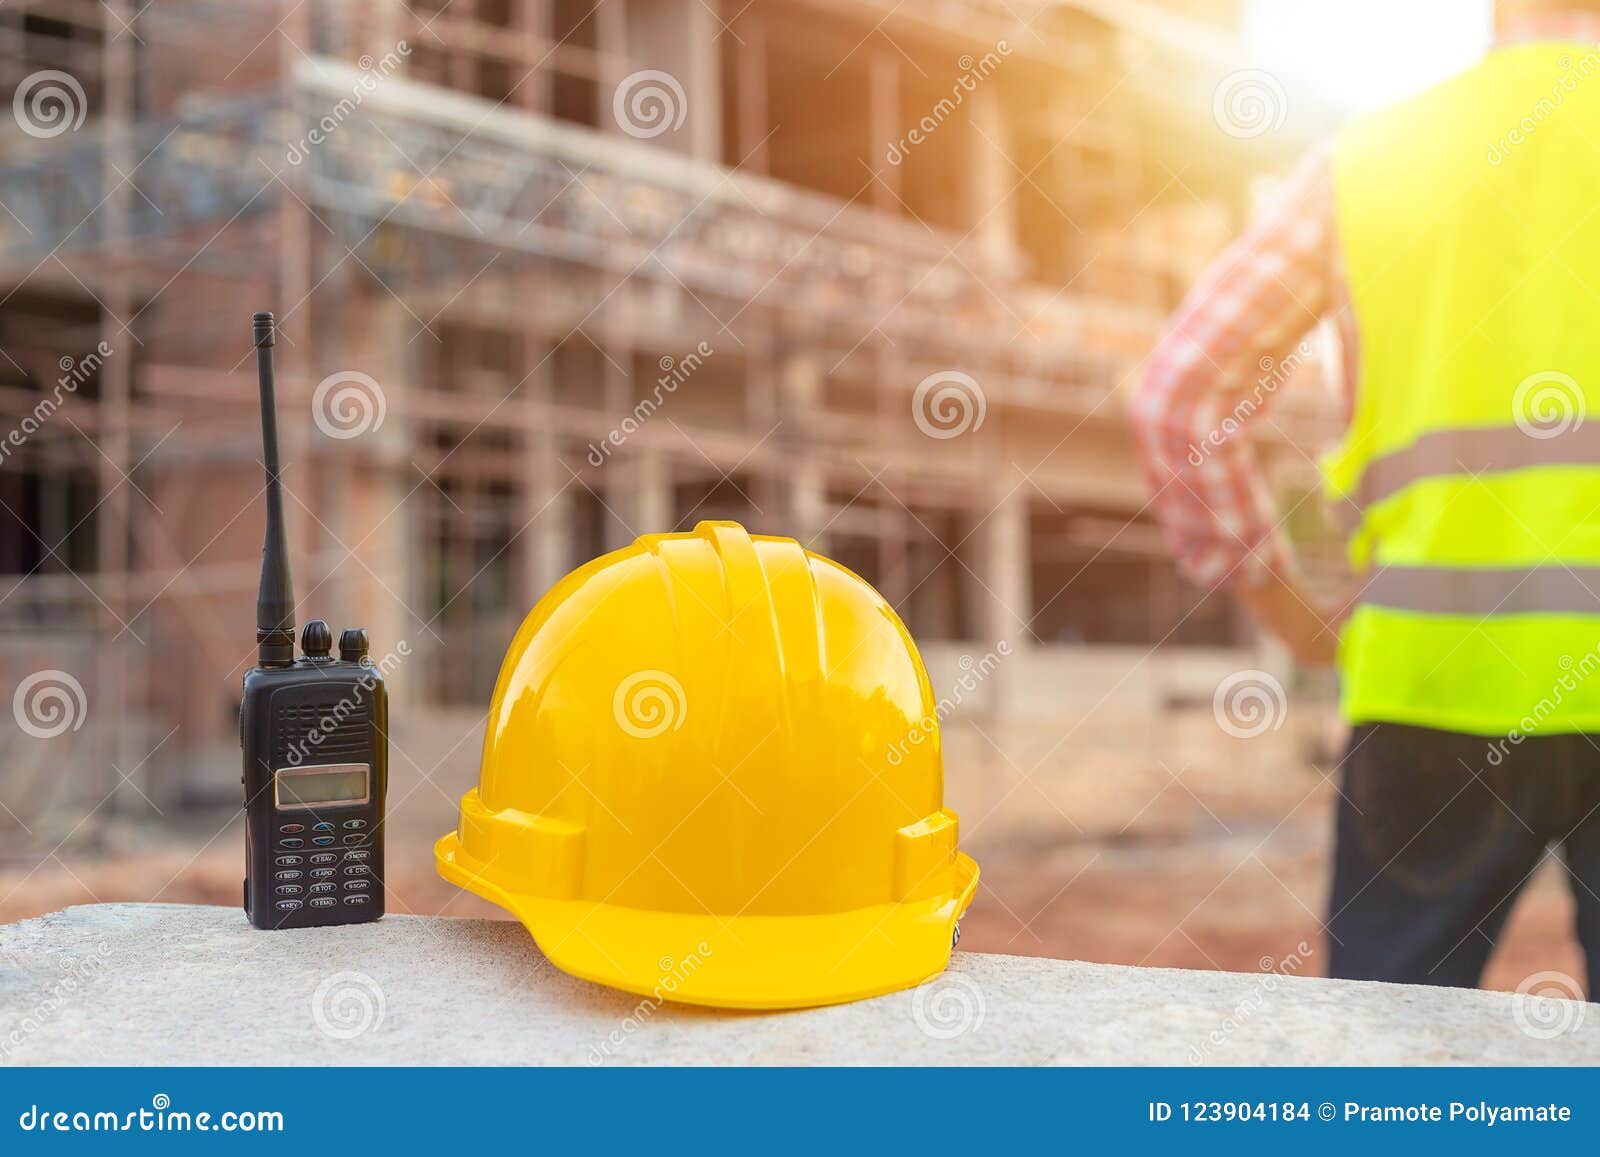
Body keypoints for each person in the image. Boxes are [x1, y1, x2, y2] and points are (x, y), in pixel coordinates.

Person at [1133, 0, 1600, 993]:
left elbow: (1179, 390)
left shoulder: (1372, 157)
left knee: (1387, 1053)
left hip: (1430, 682)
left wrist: (1292, 620)